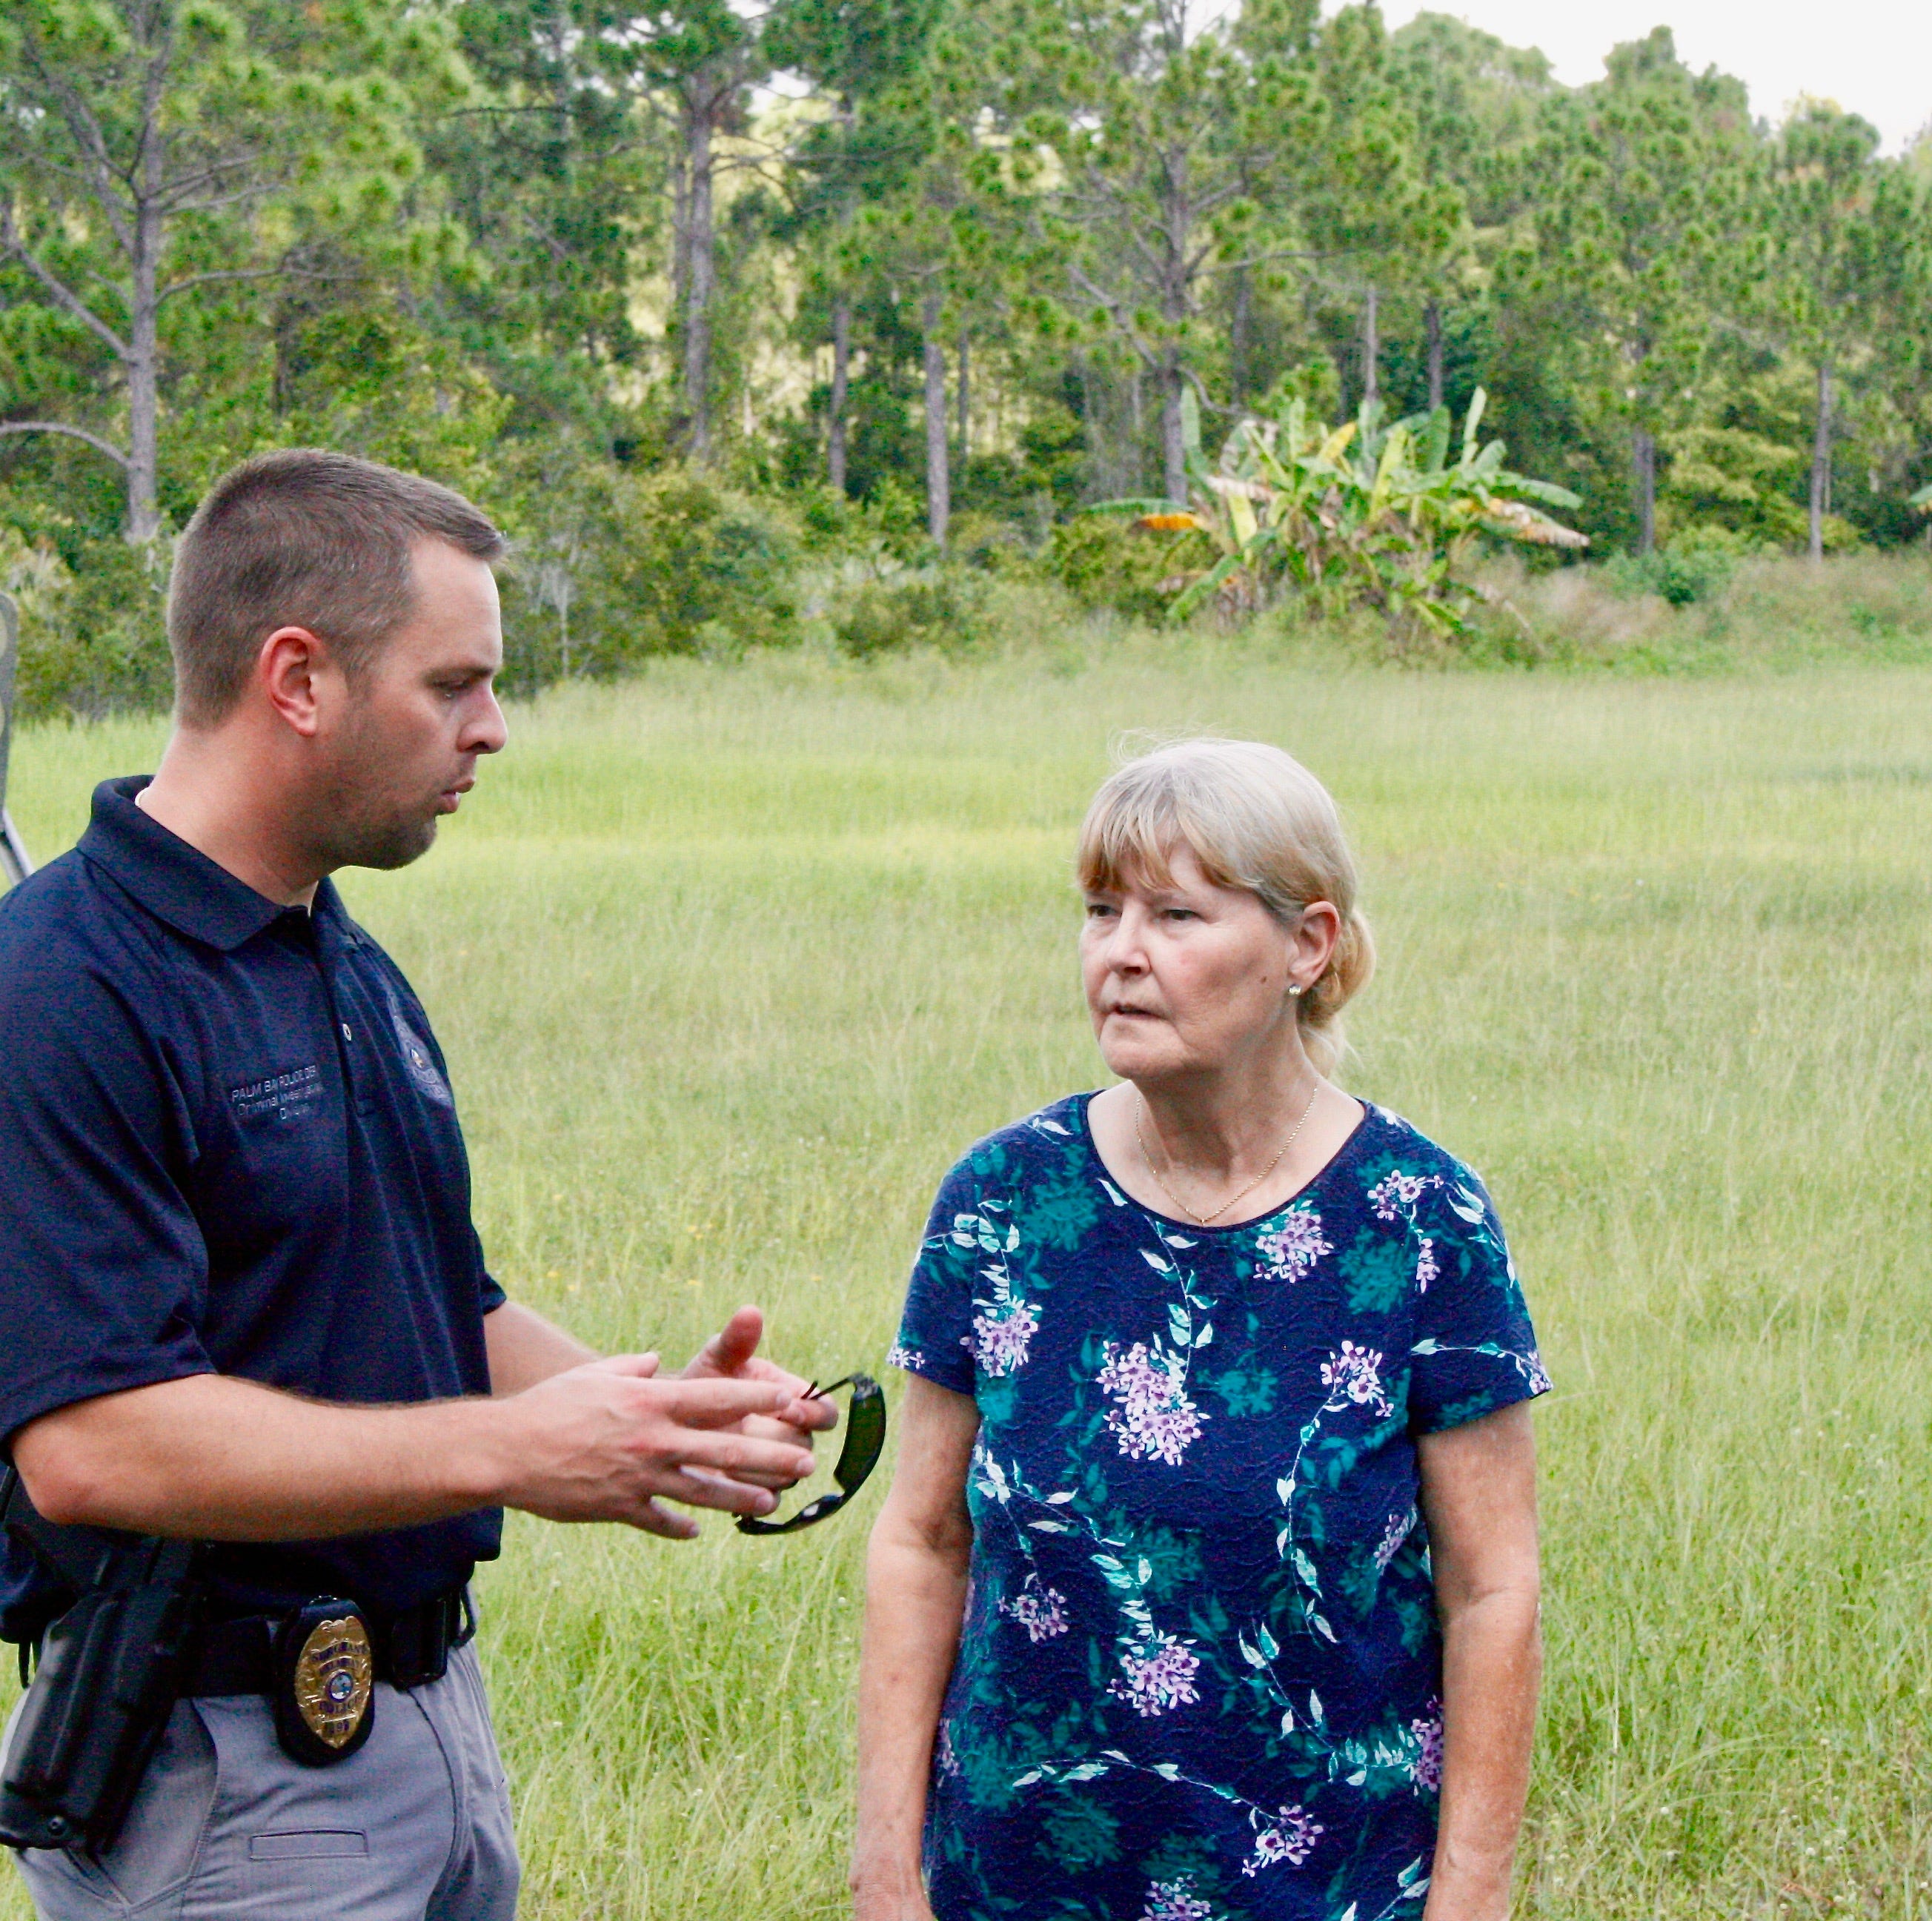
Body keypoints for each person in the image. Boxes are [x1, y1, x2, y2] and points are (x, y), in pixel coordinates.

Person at [0, 450, 835, 1921]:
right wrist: (511, 1454)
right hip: (223, 1781)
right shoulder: (64, 984)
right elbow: (94, 1444)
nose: (492, 731)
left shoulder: (334, 951)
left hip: (427, 1728)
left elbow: (434, 1300)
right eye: (452, 685)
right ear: (298, 679)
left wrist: (645, 1419)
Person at [852, 739, 1548, 1921]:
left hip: (1328, 1882)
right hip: (1016, 1878)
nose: (1122, 952)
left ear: (1305, 945)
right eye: (1101, 910)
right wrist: (885, 1870)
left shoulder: (1419, 1219)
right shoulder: (1006, 1199)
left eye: (1176, 914)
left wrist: (1469, 1895)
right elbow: (920, 1542)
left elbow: (1494, 1593)